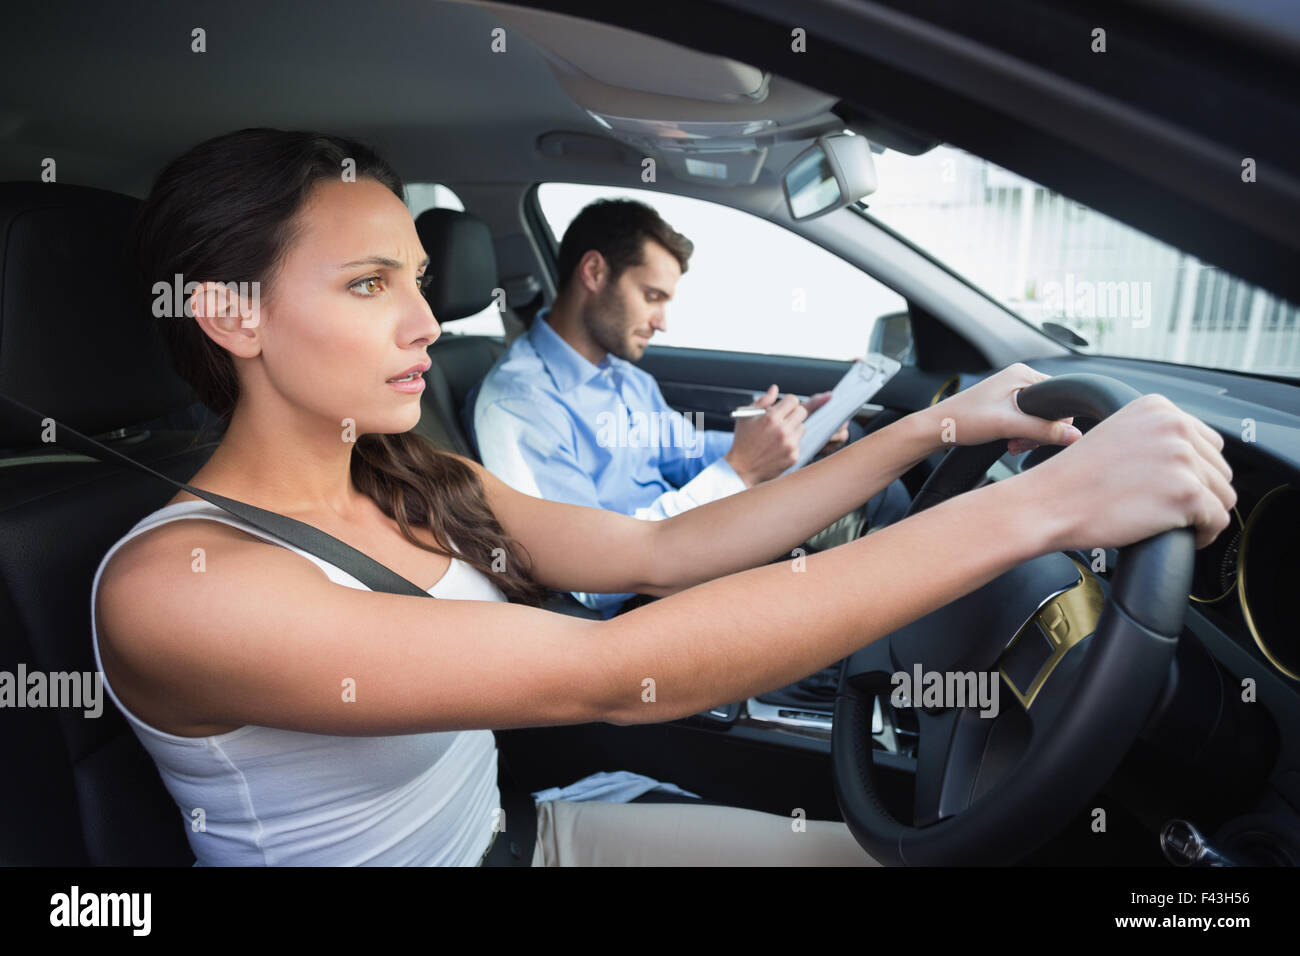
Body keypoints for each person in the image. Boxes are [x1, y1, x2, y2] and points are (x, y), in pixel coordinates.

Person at [91, 128, 1236, 867]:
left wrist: (944, 426)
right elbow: (609, 677)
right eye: (367, 284)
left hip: (517, 839)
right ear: (232, 313)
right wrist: (1036, 512)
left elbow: (662, 549)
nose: (426, 325)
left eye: (418, 283)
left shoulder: (409, 478)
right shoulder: (180, 588)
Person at [471, 198, 911, 617]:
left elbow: (685, 452)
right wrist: (740, 471)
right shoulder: (520, 404)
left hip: (688, 540)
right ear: (594, 272)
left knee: (875, 498)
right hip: (642, 596)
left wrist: (785, 438)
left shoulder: (624, 377)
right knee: (871, 532)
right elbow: (589, 575)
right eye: (652, 296)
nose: (662, 322)